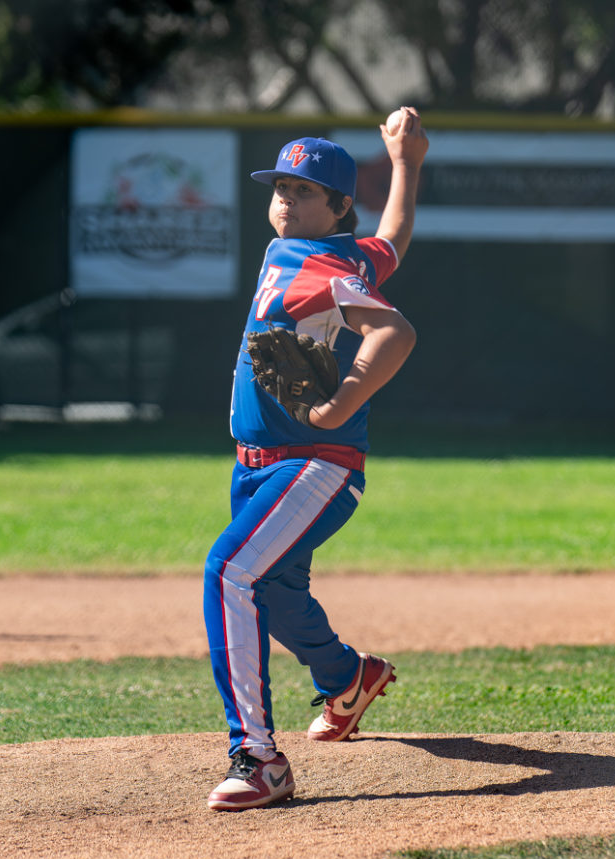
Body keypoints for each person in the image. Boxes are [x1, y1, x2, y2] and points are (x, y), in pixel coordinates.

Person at [203, 107, 429, 811]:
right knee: (274, 592)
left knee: (230, 572)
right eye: (279, 188)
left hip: (315, 463)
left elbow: (394, 330)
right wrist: (406, 163)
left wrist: (342, 400)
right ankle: (347, 678)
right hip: (259, 466)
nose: (285, 200)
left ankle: (260, 759)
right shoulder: (337, 253)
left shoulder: (323, 263)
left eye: (302, 191)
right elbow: (390, 239)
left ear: (335, 206)